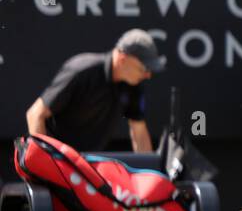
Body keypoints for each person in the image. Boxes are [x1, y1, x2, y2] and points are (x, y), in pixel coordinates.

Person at [25, 28, 164, 153]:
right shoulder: (82, 70)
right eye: (144, 68)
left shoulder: (133, 84)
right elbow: (35, 114)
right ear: (123, 58)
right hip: (56, 159)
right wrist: (46, 162)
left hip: (88, 164)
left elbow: (139, 132)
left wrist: (148, 171)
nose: (148, 75)